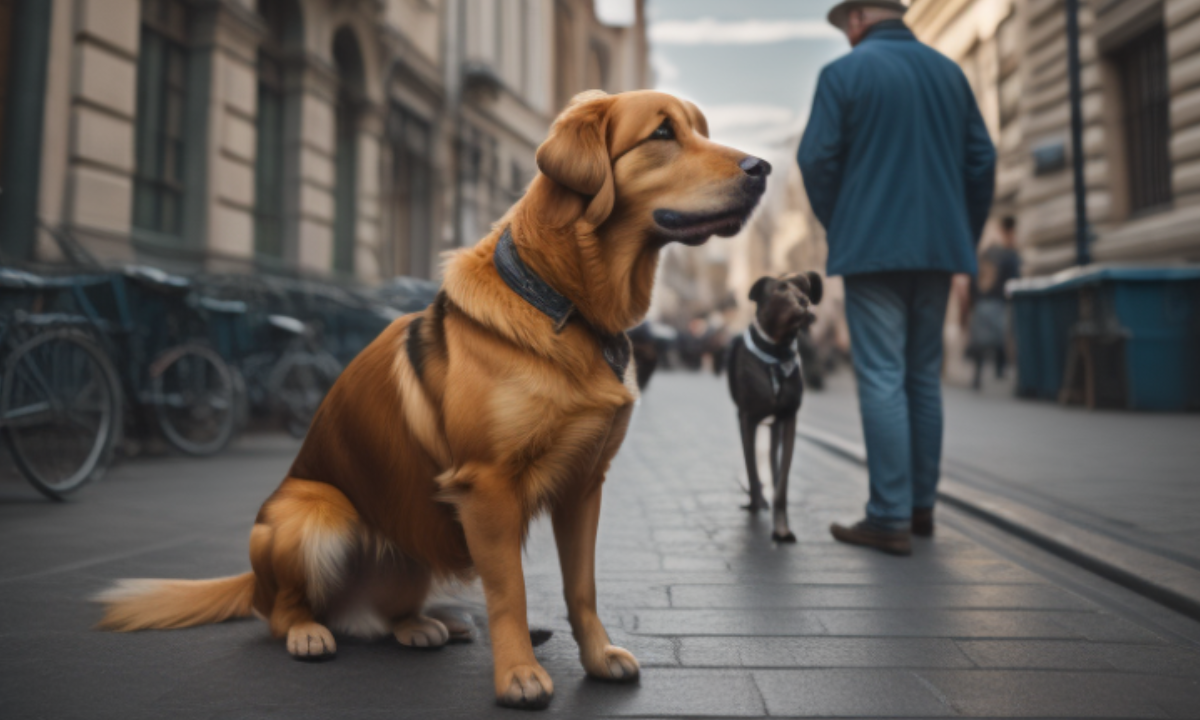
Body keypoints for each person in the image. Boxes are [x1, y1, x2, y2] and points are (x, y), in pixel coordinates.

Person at [797, 0, 996, 555]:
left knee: (882, 373)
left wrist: (844, 220)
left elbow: (816, 160)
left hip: (873, 250)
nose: (845, 37)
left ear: (859, 17)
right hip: (939, 247)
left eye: (844, 26)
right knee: (921, 377)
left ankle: (888, 516)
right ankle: (920, 507)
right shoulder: (948, 72)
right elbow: (981, 160)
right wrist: (963, 232)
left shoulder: (844, 74)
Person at [966, 216, 1021, 389]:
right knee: (1001, 338)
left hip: (982, 302)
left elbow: (974, 278)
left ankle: (978, 375)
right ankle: (1000, 370)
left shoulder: (986, 253)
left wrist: (973, 299)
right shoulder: (1011, 255)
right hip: (999, 301)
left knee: (980, 341)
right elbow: (1015, 279)